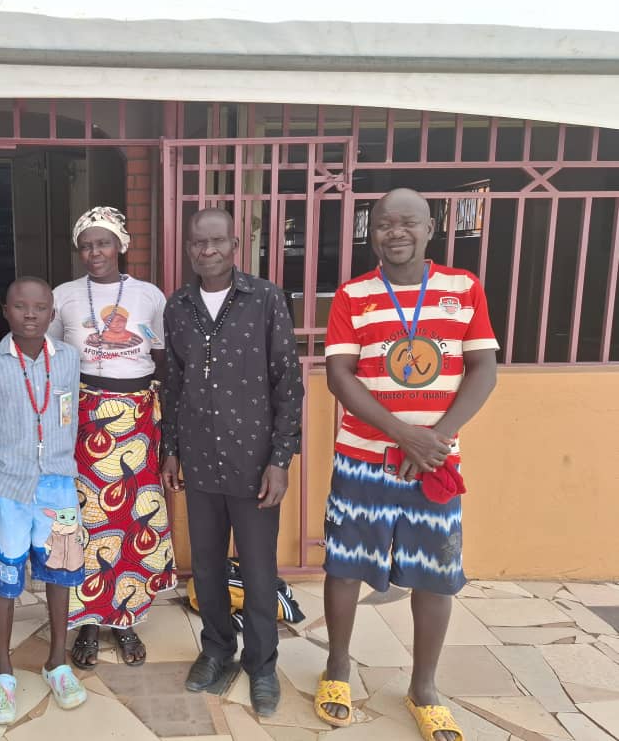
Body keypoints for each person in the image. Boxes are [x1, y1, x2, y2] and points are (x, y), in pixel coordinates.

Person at [315, 188, 498, 741]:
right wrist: (402, 436)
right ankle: (337, 669)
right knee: (345, 566)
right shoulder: (353, 295)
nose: (395, 233)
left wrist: (434, 440)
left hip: (436, 463)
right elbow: (340, 376)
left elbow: (483, 369)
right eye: (384, 224)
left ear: (430, 228)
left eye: (408, 222)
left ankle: (424, 688)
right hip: (363, 458)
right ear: (371, 233)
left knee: (436, 576)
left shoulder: (463, 289)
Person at [160, 207, 303, 717]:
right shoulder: (177, 307)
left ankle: (261, 665)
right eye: (198, 243)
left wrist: (281, 459)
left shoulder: (265, 299)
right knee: (207, 566)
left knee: (259, 571)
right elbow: (172, 385)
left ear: (235, 245)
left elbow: (288, 382)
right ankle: (216, 649)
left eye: (217, 241)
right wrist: (170, 449)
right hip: (199, 460)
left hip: (254, 462)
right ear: (189, 248)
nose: (208, 250)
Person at [48, 206, 177, 669]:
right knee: (86, 518)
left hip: (137, 419)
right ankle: (87, 622)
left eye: (102, 243)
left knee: (131, 517)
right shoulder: (63, 296)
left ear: (121, 244)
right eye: (86, 246)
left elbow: (161, 358)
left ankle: (125, 618)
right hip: (83, 421)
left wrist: (162, 425)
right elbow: (51, 359)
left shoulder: (149, 296)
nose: (94, 252)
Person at [0, 276, 88, 724]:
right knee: (5, 581)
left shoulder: (69, 359)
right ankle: (3, 673)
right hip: (7, 488)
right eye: (20, 306)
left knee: (60, 575)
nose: (31, 315)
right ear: (5, 311)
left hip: (57, 486)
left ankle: (58, 662)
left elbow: (70, 416)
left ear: (53, 313)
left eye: (40, 307)